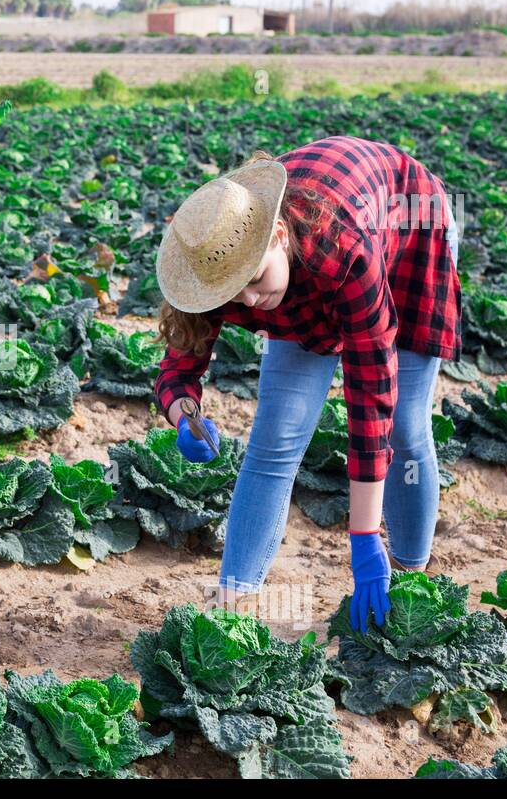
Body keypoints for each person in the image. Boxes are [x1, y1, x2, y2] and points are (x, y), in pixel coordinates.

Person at [152, 136, 462, 632]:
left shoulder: (346, 253)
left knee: (404, 428)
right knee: (276, 438)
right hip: (306, 275)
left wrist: (364, 538)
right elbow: (177, 370)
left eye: (256, 279)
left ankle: (410, 582)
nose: (252, 301)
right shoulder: (218, 261)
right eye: (237, 290)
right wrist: (183, 414)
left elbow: (371, 397)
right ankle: (234, 608)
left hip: (406, 224)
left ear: (275, 234)